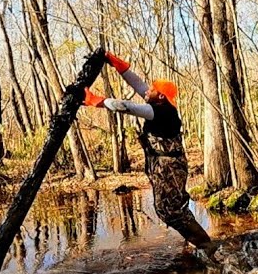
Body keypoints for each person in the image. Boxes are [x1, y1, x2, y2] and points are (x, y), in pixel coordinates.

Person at [83, 52, 217, 261]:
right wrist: (120, 66)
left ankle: (205, 245)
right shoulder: (160, 103)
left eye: (153, 90)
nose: (148, 90)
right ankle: (200, 245)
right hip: (164, 164)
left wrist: (95, 101)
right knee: (172, 206)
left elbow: (125, 106)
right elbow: (138, 84)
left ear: (161, 97)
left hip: (169, 166)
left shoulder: (161, 112)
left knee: (168, 210)